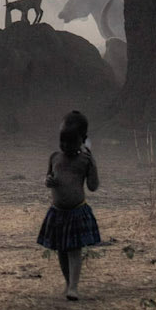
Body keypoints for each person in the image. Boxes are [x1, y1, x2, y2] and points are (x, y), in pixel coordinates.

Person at [37, 108, 101, 300]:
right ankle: (68, 283)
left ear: (83, 139)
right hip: (57, 213)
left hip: (76, 212)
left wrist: (93, 164)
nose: (65, 145)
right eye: (61, 140)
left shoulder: (84, 160)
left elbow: (93, 186)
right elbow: (49, 178)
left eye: (70, 141)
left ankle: (73, 286)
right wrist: (49, 181)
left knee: (74, 250)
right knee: (61, 251)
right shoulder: (55, 157)